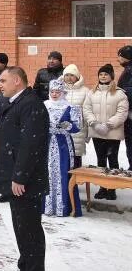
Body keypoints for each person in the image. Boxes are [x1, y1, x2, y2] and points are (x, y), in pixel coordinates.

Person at [0, 66, 49, 271]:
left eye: (3, 81)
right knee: (21, 230)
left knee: (31, 233)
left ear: (17, 81)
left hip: (27, 182)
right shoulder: (18, 102)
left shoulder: (31, 105)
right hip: (18, 179)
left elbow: (30, 145)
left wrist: (20, 177)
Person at [82, 64, 129, 200]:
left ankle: (112, 189)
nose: (103, 76)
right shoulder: (92, 92)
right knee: (101, 160)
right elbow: (87, 109)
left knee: (113, 160)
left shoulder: (119, 93)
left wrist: (108, 125)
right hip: (97, 132)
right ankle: (102, 187)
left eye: (106, 74)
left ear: (111, 76)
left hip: (112, 133)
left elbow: (122, 113)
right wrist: (94, 124)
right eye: (101, 74)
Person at [43, 80, 81, 217]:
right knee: (46, 171)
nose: (54, 94)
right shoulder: (44, 105)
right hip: (46, 143)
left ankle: (63, 207)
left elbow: (77, 127)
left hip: (63, 144)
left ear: (63, 93)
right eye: (52, 91)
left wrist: (68, 126)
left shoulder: (70, 107)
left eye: (57, 92)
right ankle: (45, 206)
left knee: (63, 172)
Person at [61, 64, 92, 168]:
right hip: (61, 130)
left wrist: (88, 132)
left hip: (78, 131)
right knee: (63, 158)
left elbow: (87, 111)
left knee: (76, 158)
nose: (69, 78)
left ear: (77, 77)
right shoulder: (58, 90)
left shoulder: (85, 91)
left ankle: (76, 182)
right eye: (67, 75)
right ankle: (65, 182)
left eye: (72, 75)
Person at [117, 45, 132, 169]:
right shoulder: (128, 69)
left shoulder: (129, 71)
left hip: (130, 114)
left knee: (131, 143)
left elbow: (127, 92)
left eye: (120, 56)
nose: (118, 59)